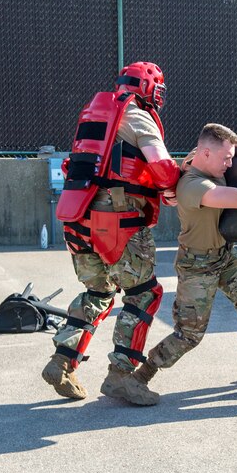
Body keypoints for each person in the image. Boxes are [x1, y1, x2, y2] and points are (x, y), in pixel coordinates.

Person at [126, 123, 237, 403]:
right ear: (205, 155)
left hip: (225, 256)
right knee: (189, 335)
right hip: (197, 263)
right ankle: (141, 376)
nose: (230, 164)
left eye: (231, 157)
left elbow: (212, 129)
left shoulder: (205, 157)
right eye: (226, 159)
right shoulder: (194, 186)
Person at [42, 61, 180, 406]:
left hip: (77, 215)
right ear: (147, 87)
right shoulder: (137, 115)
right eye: (157, 89)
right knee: (144, 294)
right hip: (116, 219)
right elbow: (162, 167)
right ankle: (121, 375)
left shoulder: (96, 111)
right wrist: (178, 186)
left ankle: (61, 362)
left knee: (98, 291)